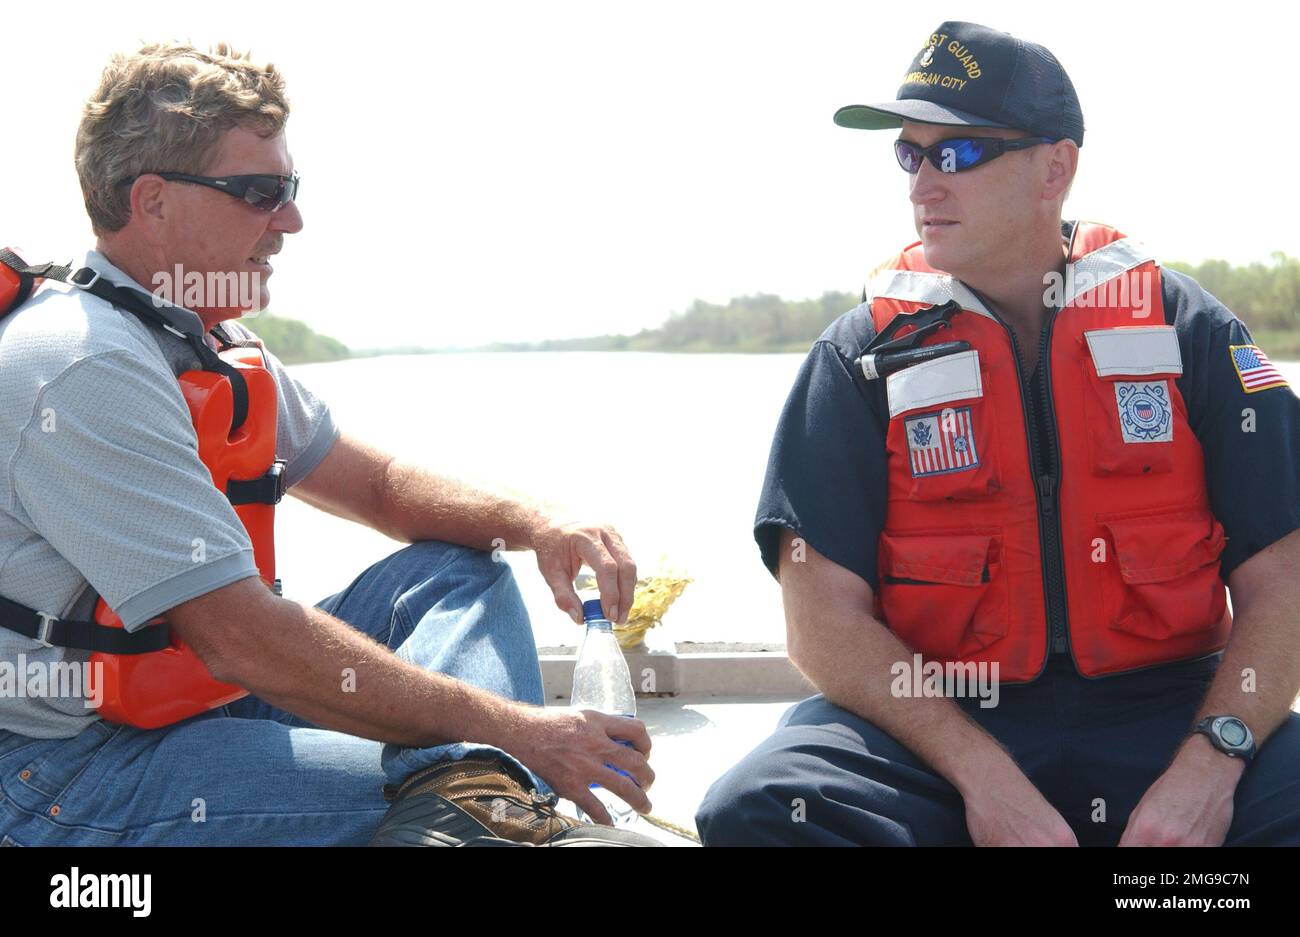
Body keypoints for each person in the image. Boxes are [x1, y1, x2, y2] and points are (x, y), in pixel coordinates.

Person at [0, 42, 658, 847]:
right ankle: (483, 794)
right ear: (153, 200)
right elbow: (241, 634)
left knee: (455, 570)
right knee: (466, 790)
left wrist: (539, 520)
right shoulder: (83, 364)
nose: (291, 221)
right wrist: (524, 729)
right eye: (260, 193)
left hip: (201, 699)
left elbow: (378, 486)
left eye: (290, 190)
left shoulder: (197, 334)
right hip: (57, 771)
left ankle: (473, 794)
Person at [696, 21, 1300, 846]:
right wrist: (982, 776)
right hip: (939, 724)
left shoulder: (1189, 331)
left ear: (1056, 168)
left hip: (1171, 715)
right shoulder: (858, 359)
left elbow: (1284, 577)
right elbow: (821, 621)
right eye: (910, 155)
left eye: (959, 154)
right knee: (761, 804)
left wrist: (1212, 762)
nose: (924, 186)